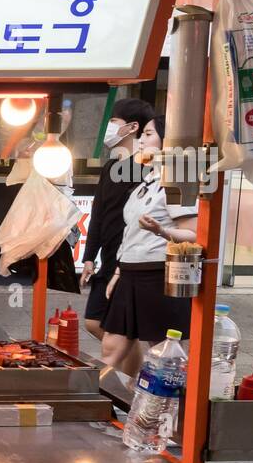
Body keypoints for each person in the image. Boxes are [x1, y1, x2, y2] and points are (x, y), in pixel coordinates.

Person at [99, 124, 199, 380]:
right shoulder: (147, 179)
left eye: (148, 134)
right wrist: (118, 271)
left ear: (168, 141)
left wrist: (161, 232)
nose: (140, 140)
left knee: (161, 354)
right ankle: (111, 402)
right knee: (111, 345)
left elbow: (193, 234)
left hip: (157, 274)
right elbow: (131, 231)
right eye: (141, 134)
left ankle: (160, 411)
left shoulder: (178, 179)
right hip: (130, 271)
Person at [81, 99, 157, 341]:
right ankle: (135, 370)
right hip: (108, 259)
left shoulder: (152, 169)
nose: (108, 128)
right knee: (94, 322)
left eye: (113, 122)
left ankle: (135, 372)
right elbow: (98, 214)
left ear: (132, 127)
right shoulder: (111, 166)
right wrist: (89, 257)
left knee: (122, 332)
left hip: (133, 259)